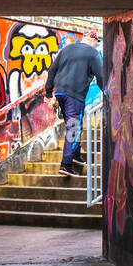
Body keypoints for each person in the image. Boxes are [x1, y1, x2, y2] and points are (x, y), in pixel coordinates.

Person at [44, 29, 105, 176]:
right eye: (96, 43)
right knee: (74, 128)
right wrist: (106, 93)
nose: (96, 45)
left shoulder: (67, 49)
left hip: (60, 93)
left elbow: (52, 70)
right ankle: (66, 165)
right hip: (74, 95)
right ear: (93, 40)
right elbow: (101, 75)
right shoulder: (93, 53)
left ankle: (76, 155)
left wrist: (48, 92)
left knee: (75, 124)